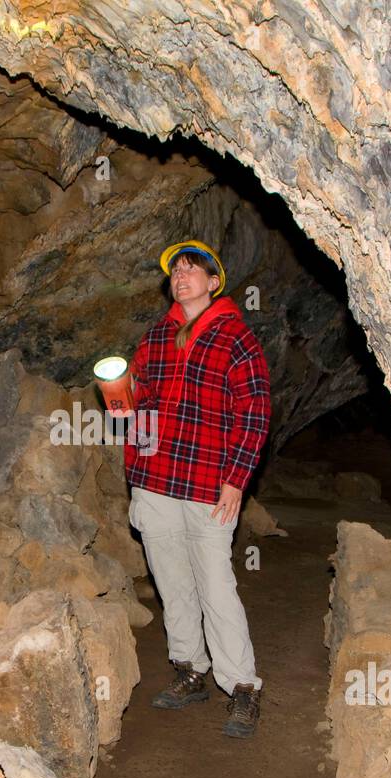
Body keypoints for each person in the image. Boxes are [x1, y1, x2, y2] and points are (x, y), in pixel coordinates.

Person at [123, 240, 271, 738]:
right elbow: (142, 399)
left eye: (193, 270)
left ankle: (243, 687)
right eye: (176, 270)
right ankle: (190, 669)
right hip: (156, 479)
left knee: (216, 585)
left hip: (208, 480)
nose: (181, 276)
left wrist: (237, 480)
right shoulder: (155, 337)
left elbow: (254, 413)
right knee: (171, 580)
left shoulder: (235, 339)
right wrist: (128, 417)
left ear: (214, 282)